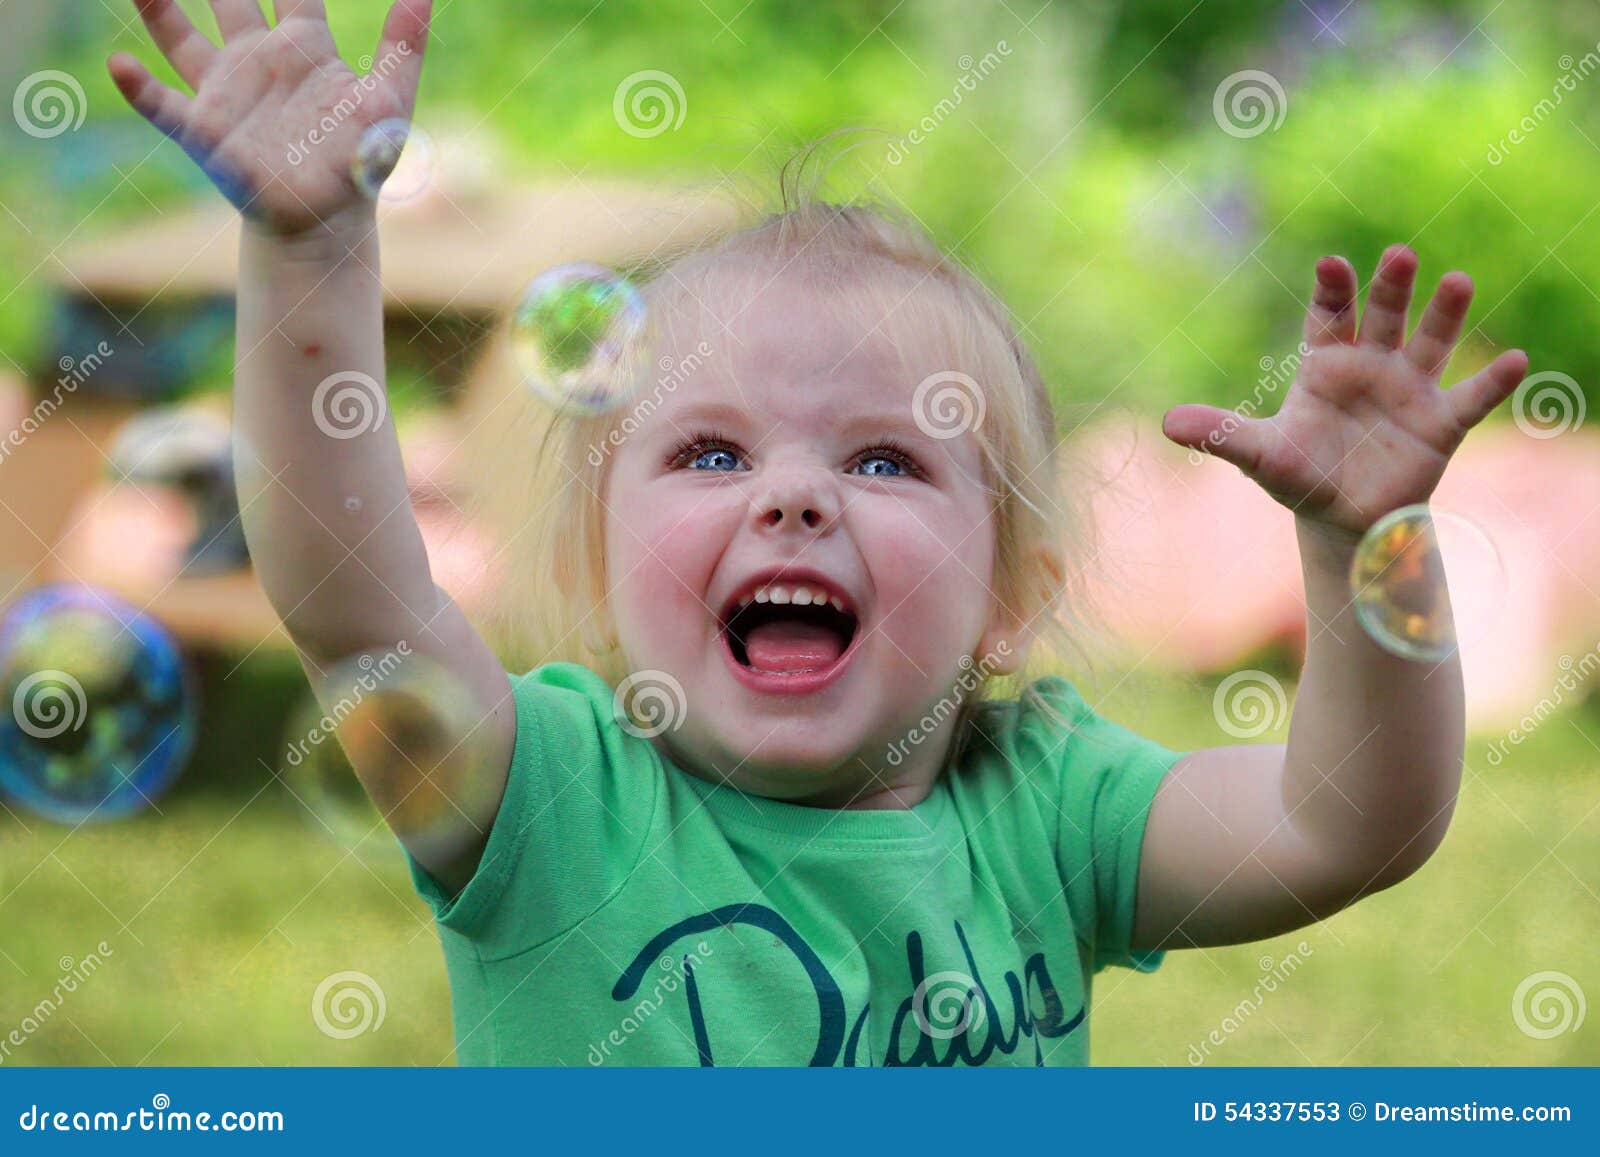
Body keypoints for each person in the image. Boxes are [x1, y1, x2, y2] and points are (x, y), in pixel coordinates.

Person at [110, 0, 1531, 1065]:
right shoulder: (545, 801)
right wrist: (308, 249)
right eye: (712, 450)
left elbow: (1346, 821)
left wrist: (1367, 548)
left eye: (888, 458)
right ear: (601, 561)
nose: (795, 498)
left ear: (1010, 596)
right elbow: (354, 596)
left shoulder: (1049, 808)